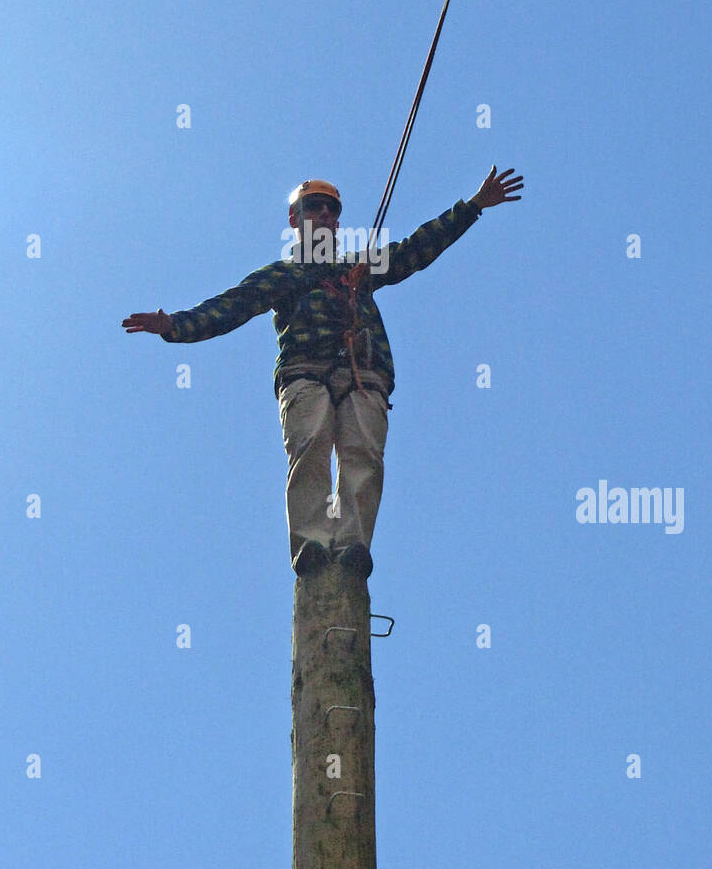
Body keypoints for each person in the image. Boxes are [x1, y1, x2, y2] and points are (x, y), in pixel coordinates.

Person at [122, 166, 524, 577]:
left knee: (363, 454)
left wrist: (473, 206)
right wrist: (175, 325)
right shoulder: (283, 276)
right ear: (295, 219)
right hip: (305, 371)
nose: (325, 216)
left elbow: (413, 251)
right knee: (309, 445)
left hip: (362, 372)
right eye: (314, 208)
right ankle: (312, 543)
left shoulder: (359, 268)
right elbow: (231, 306)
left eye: (332, 211)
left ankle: (352, 545)